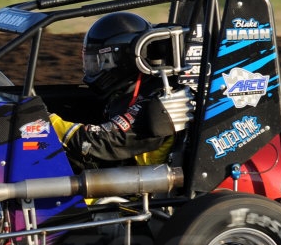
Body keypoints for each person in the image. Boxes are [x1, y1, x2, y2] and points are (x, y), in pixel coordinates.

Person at [49, 12, 193, 171]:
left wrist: (46, 123)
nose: (92, 70)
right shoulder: (126, 92)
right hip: (117, 176)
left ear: (118, 60)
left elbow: (97, 142)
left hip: (137, 190)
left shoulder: (156, 102)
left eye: (97, 63)